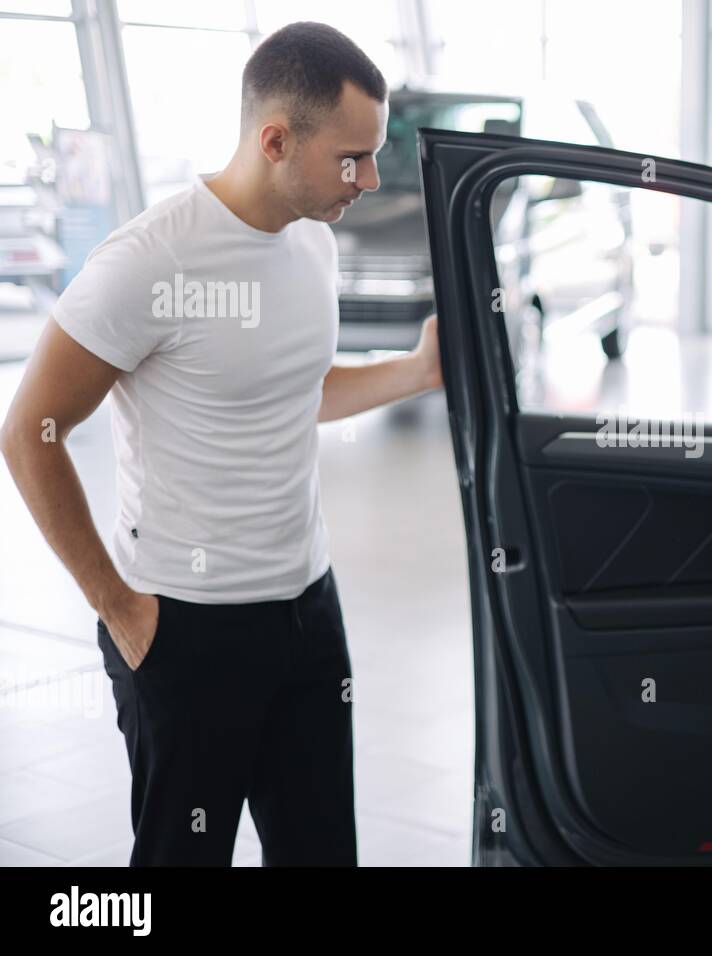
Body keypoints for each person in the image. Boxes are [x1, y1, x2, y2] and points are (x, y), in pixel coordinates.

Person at [0, 22, 442, 865]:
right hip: (184, 627)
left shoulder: (312, 238)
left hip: (309, 611)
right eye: (352, 158)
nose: (371, 179)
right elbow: (30, 433)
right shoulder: (148, 262)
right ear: (276, 141)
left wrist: (417, 372)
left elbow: (293, 388)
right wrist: (120, 611)